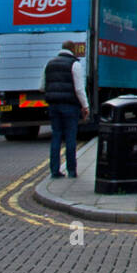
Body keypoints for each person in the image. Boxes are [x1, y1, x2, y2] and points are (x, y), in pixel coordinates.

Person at [41, 40, 88, 179]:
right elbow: (79, 89)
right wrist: (85, 106)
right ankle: (71, 170)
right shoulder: (75, 64)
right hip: (70, 106)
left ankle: (54, 171)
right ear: (73, 50)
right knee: (70, 137)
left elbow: (41, 87)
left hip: (54, 105)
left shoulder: (49, 64)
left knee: (56, 136)